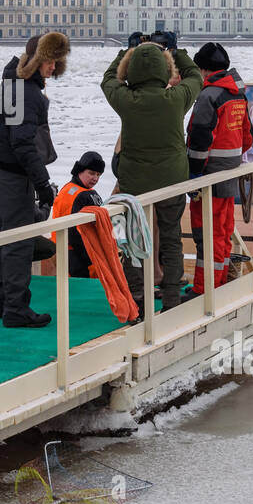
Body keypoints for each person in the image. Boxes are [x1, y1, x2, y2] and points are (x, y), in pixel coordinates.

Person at [100, 32, 203, 316]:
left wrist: (128, 52)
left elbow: (108, 79)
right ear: (165, 70)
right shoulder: (176, 99)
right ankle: (171, 300)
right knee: (171, 240)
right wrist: (176, 50)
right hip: (171, 183)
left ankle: (138, 302)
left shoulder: (125, 99)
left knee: (134, 243)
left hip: (135, 186)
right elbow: (195, 75)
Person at [0, 32, 70, 328]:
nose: (54, 68)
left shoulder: (11, 84)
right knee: (19, 240)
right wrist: (43, 183)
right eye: (51, 62)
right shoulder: (27, 93)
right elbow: (22, 144)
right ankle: (16, 308)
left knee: (7, 236)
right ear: (39, 60)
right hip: (13, 175)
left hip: (0, 171)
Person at [186, 42, 253, 297]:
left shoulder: (208, 96)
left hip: (208, 177)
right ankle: (221, 283)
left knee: (207, 235)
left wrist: (193, 175)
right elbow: (248, 137)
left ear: (203, 70)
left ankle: (204, 291)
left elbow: (200, 140)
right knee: (223, 233)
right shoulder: (237, 93)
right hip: (230, 175)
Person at [50, 151, 106, 278]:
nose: (95, 178)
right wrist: (89, 258)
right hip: (73, 253)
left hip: (85, 251)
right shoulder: (72, 194)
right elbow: (72, 232)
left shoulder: (88, 191)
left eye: (98, 174)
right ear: (79, 170)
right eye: (91, 173)